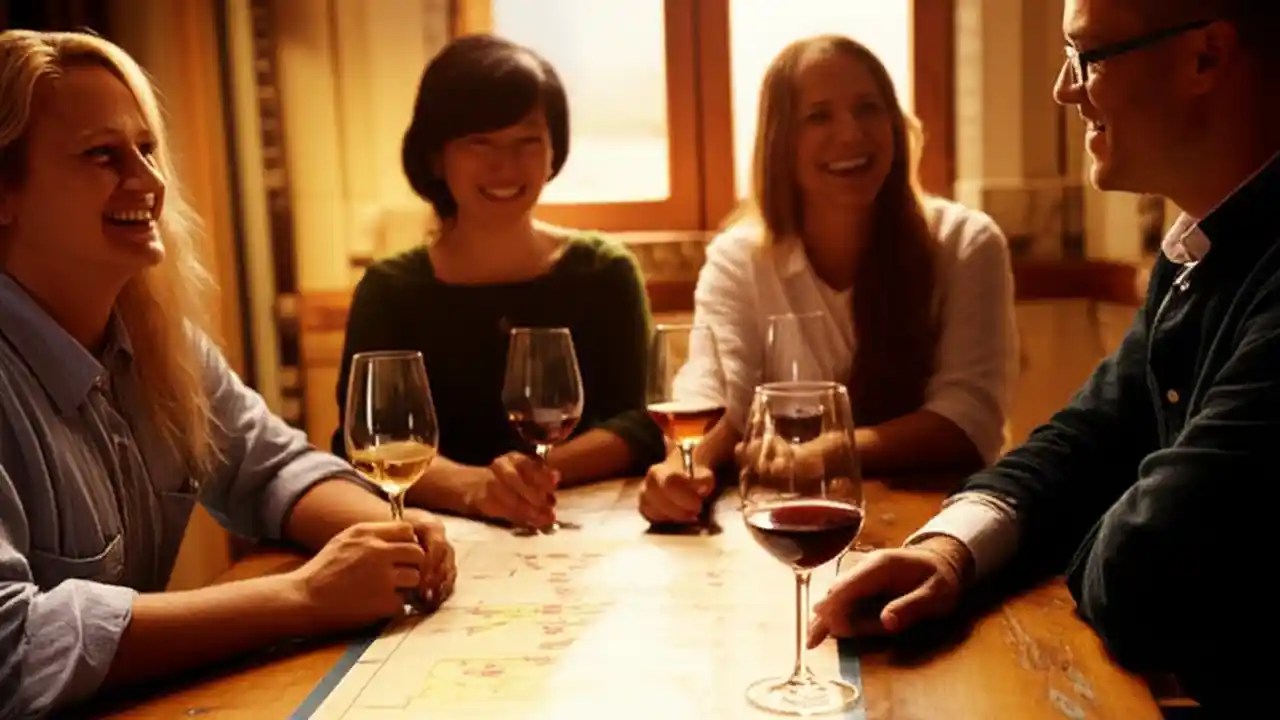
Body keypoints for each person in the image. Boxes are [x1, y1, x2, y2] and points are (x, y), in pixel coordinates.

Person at [807, 0, 1280, 709]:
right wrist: (950, 551)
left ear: (1204, 57)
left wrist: (1078, 518)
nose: (1065, 88)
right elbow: (1081, 443)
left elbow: (1142, 574)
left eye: (1086, 56)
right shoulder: (1196, 252)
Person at [0, 30, 456, 717]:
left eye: (147, 150)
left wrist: (392, 535)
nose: (150, 182)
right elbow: (15, 646)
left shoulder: (160, 343)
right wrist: (303, 597)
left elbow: (270, 467)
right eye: (103, 154)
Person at [639, 35, 1017, 525]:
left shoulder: (967, 243)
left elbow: (968, 418)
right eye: (819, 116)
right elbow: (717, 399)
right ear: (780, 142)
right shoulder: (740, 259)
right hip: (789, 521)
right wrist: (683, 469)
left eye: (868, 109)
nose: (851, 134)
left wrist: (827, 451)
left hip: (941, 524)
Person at [334, 34, 666, 532]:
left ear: (554, 153)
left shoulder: (603, 272)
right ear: (435, 157)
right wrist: (476, 489)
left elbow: (639, 424)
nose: (504, 165)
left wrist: (530, 478)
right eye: (479, 142)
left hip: (589, 531)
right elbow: (365, 442)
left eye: (526, 141)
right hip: (438, 532)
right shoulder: (390, 291)